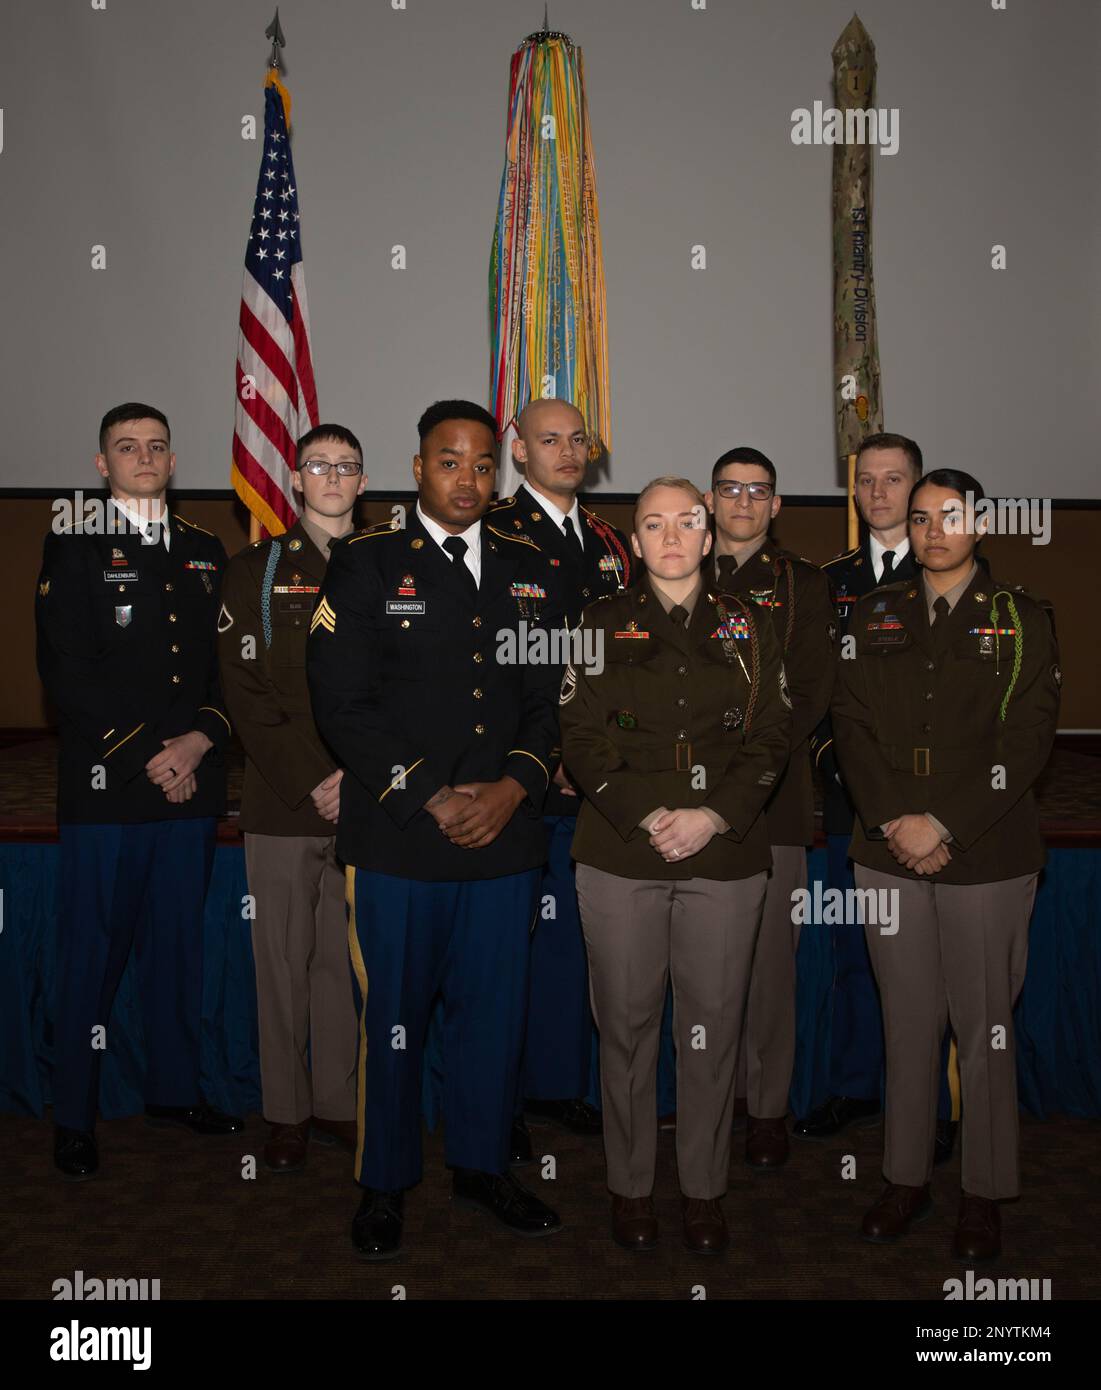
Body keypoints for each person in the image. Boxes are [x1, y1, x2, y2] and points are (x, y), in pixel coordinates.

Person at [306, 399, 566, 1261]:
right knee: (394, 1020)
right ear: (417, 468)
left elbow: (547, 699)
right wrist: (428, 795)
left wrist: (513, 788)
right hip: (400, 840)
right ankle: (383, 1183)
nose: (469, 477)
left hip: (505, 838)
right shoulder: (368, 562)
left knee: (494, 1018)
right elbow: (343, 703)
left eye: (484, 462)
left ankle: (483, 1168)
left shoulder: (532, 567)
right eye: (449, 461)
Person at [832, 468, 1059, 1260]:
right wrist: (896, 820)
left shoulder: (1019, 617)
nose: (932, 531)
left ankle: (984, 1189)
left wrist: (945, 824)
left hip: (985, 854)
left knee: (984, 1027)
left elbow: (1026, 740)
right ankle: (904, 1178)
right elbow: (849, 723)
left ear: (980, 526)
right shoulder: (874, 611)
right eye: (920, 517)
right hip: (886, 849)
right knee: (906, 1022)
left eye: (949, 517)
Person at [559, 477, 791, 1254]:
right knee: (624, 1028)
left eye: (684, 522)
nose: (670, 536)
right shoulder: (595, 622)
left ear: (706, 532)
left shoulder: (750, 626)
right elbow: (579, 736)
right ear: (635, 537)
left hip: (723, 856)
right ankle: (629, 1187)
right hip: (621, 852)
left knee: (711, 1029)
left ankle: (702, 1188)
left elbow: (771, 737)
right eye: (652, 523)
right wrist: (650, 814)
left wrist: (711, 813)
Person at [35, 402, 241, 1181]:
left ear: (173, 459)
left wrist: (197, 742)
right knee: (92, 952)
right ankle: (74, 1115)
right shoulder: (75, 541)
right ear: (102, 466)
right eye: (127, 448)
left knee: (177, 949)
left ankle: (173, 1091)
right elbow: (67, 671)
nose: (144, 457)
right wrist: (144, 756)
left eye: (156, 446)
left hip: (190, 783)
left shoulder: (202, 548)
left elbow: (227, 670)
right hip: (110, 787)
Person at [799, 433, 959, 1153]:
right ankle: (859, 1088)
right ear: (853, 491)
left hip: (936, 809)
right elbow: (818, 696)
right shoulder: (826, 582)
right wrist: (857, 782)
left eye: (895, 480)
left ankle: (929, 1109)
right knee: (853, 954)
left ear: (917, 487)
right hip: (849, 797)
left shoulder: (956, 574)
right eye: (866, 481)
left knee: (931, 967)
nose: (880, 494)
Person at [218, 424, 367, 1173]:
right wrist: (316, 776)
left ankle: (338, 1103)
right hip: (284, 798)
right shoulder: (255, 571)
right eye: (319, 465)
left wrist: (359, 774)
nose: (333, 476)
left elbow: (401, 688)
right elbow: (244, 692)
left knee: (343, 962)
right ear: (298, 479)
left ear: (363, 482)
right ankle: (285, 1110)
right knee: (280, 960)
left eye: (347, 466)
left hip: (368, 798)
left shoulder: (387, 569)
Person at [489, 398, 634, 1158]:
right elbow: (493, 662)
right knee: (507, 946)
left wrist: (601, 755)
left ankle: (556, 1085)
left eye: (579, 439)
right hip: (520, 776)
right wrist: (547, 754)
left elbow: (628, 656)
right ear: (518, 450)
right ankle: (500, 1099)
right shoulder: (492, 532)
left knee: (575, 945)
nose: (568, 451)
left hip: (599, 781)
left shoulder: (612, 542)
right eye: (550, 440)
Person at [704, 447, 836, 1167]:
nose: (744, 502)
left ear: (777, 505)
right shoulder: (675, 564)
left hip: (772, 799)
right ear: (710, 497)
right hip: (682, 799)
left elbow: (811, 692)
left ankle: (765, 1107)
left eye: (758, 491)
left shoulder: (802, 585)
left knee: (767, 969)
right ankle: (707, 1097)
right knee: (695, 966)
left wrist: (743, 767)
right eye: (731, 489)